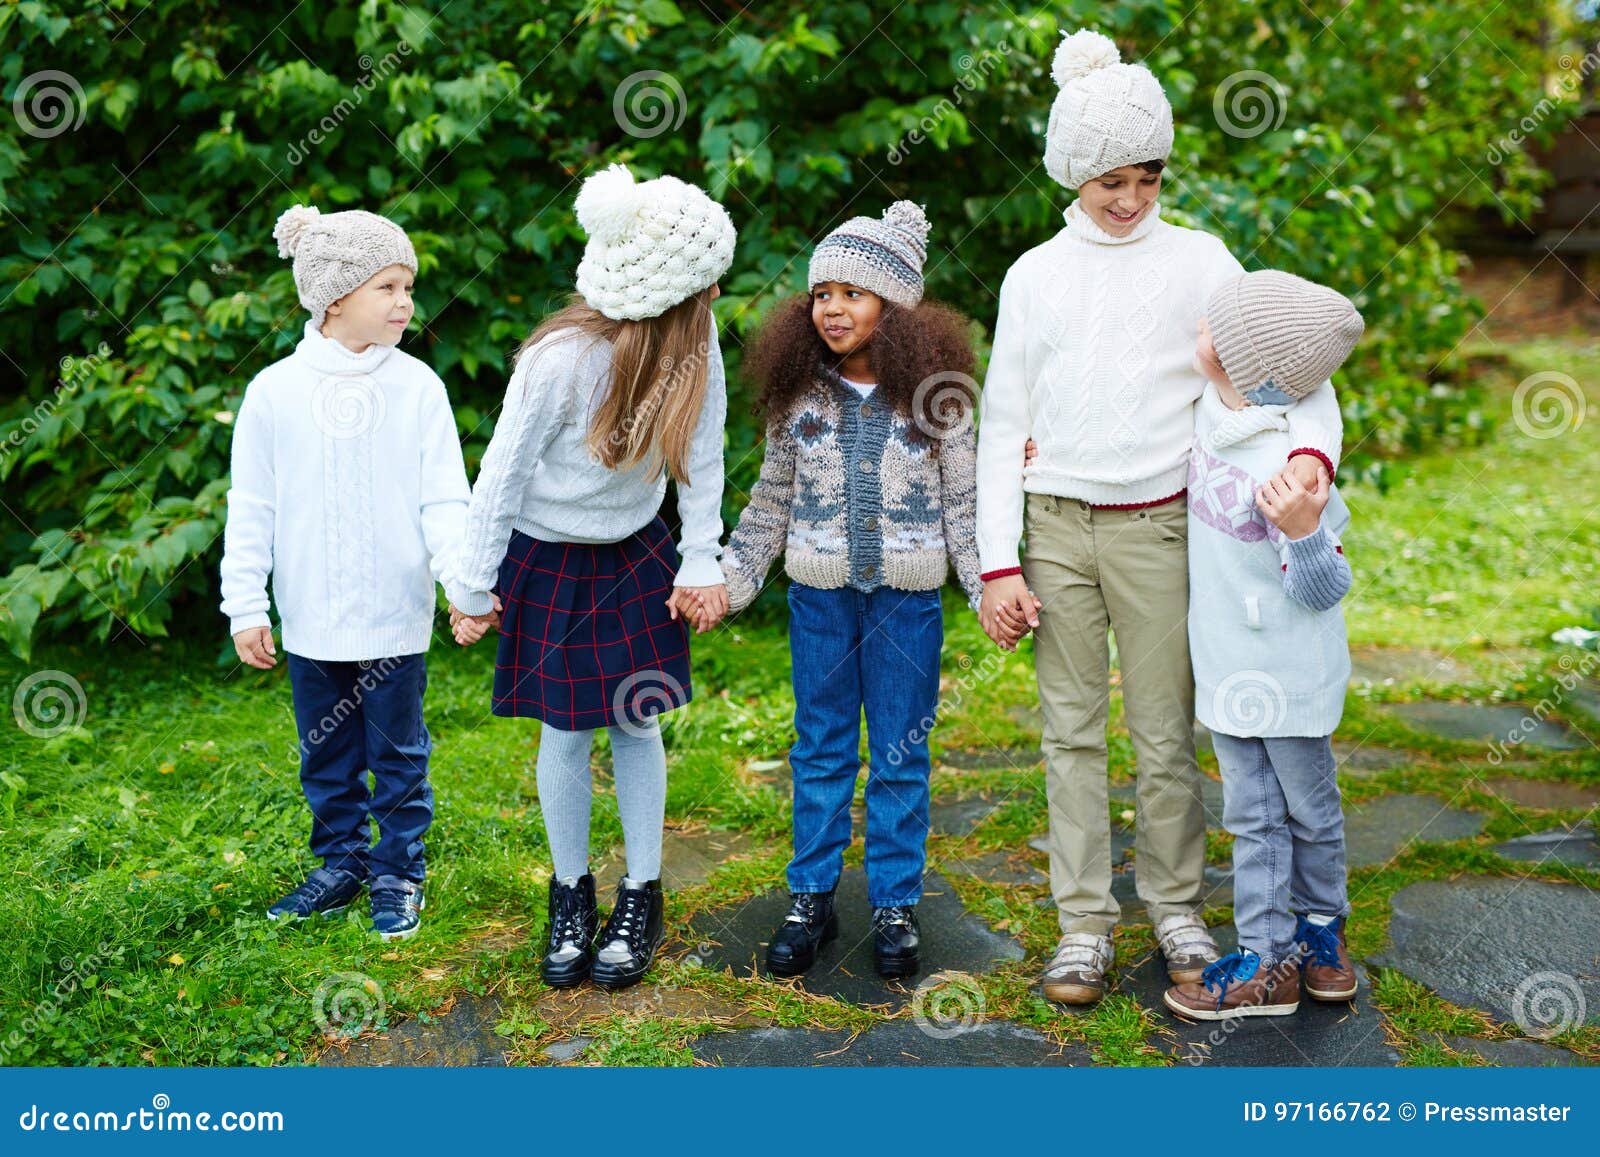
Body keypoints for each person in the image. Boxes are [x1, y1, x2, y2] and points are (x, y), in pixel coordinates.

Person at [221, 203, 469, 941]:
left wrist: (463, 587)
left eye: (408, 287)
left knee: (397, 752)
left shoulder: (418, 386)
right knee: (326, 753)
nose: (405, 303)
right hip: (311, 617)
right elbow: (252, 504)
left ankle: (398, 869)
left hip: (393, 615)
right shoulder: (275, 391)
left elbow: (444, 499)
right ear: (333, 298)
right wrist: (245, 605)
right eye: (386, 287)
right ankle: (340, 861)